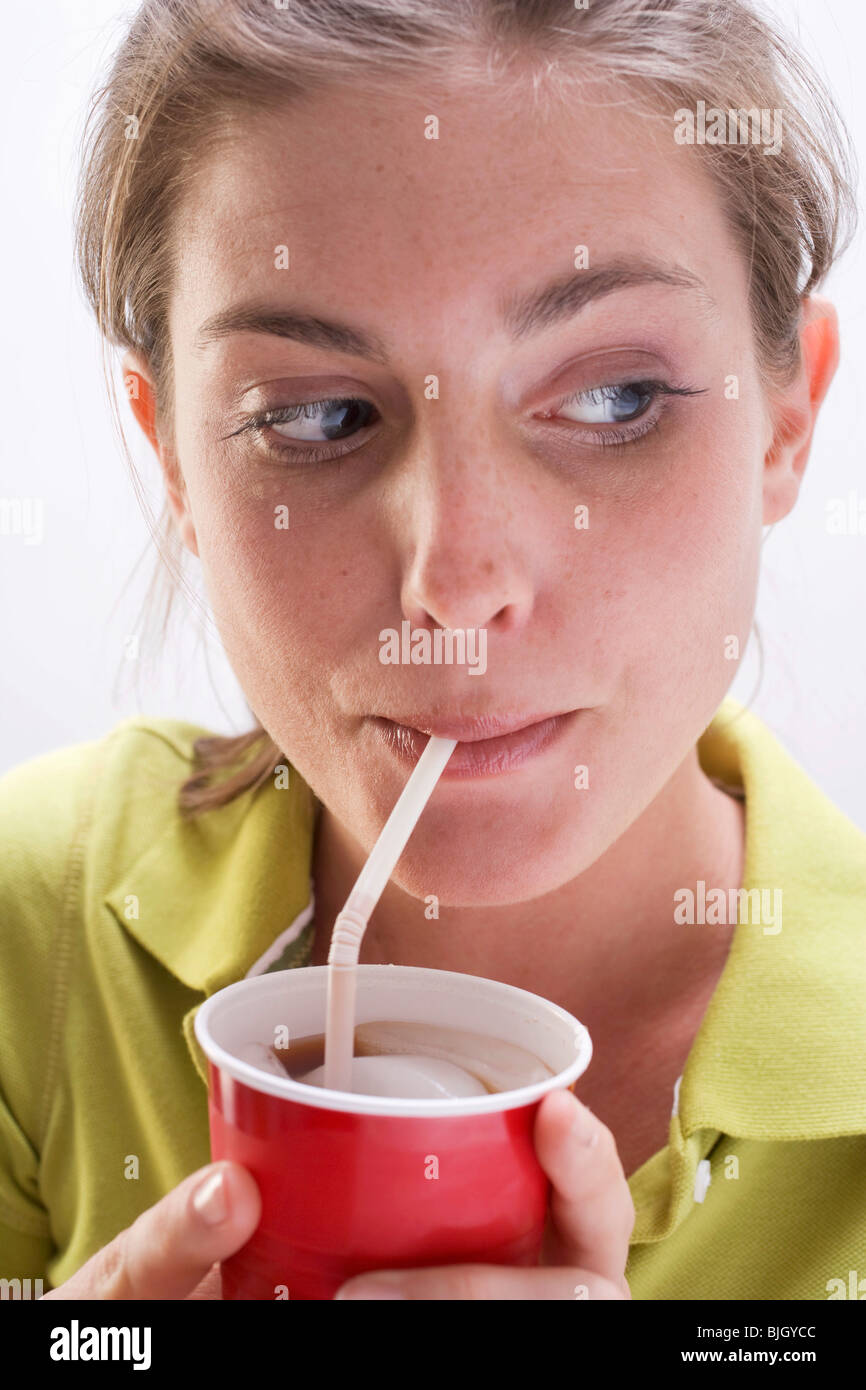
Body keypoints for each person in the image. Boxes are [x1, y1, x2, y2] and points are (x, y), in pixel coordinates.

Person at [2, 0, 864, 1301]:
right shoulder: (33, 927)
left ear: (783, 416)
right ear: (170, 451)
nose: (454, 587)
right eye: (319, 414)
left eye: (613, 397)